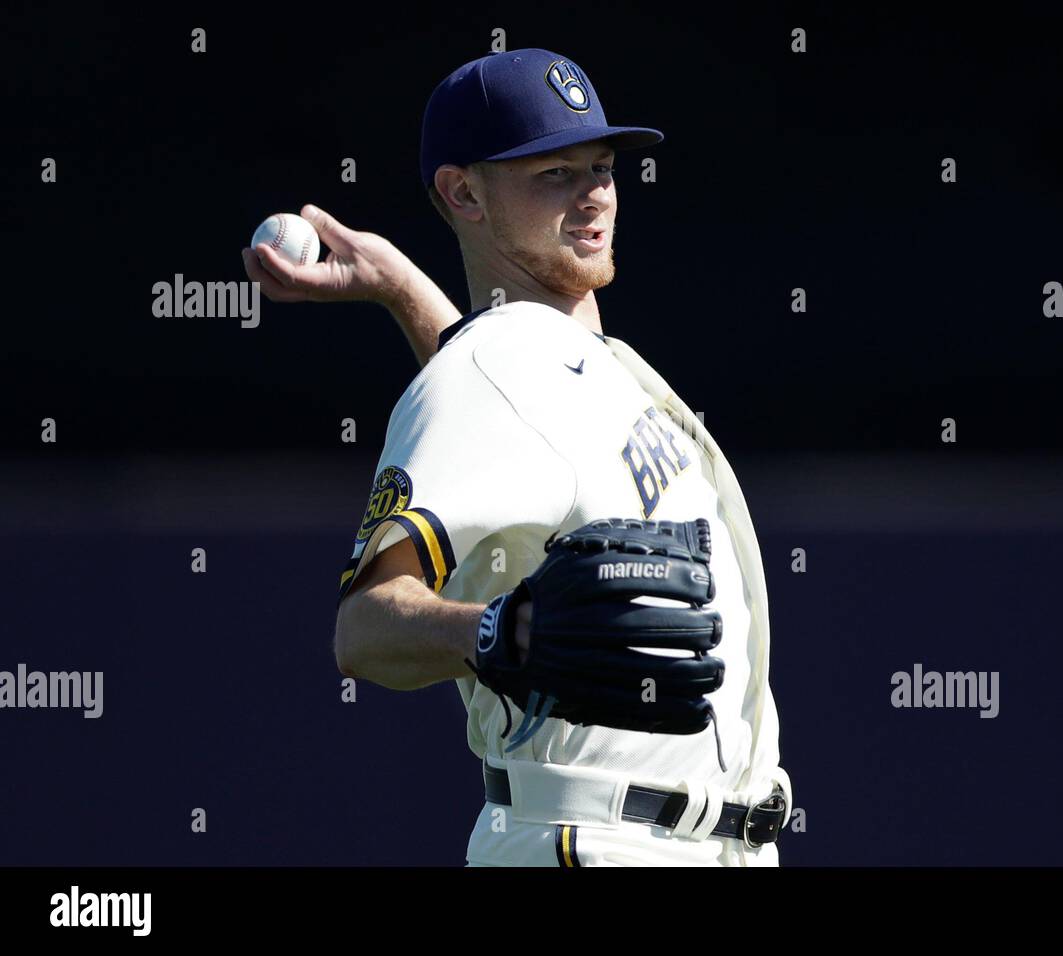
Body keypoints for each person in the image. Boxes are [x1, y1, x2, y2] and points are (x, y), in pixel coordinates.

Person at [242, 48, 791, 866]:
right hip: (597, 839)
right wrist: (501, 630)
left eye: (602, 166)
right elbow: (362, 629)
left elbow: (515, 394)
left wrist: (404, 290)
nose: (595, 192)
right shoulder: (493, 366)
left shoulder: (571, 363)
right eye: (555, 172)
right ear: (463, 192)